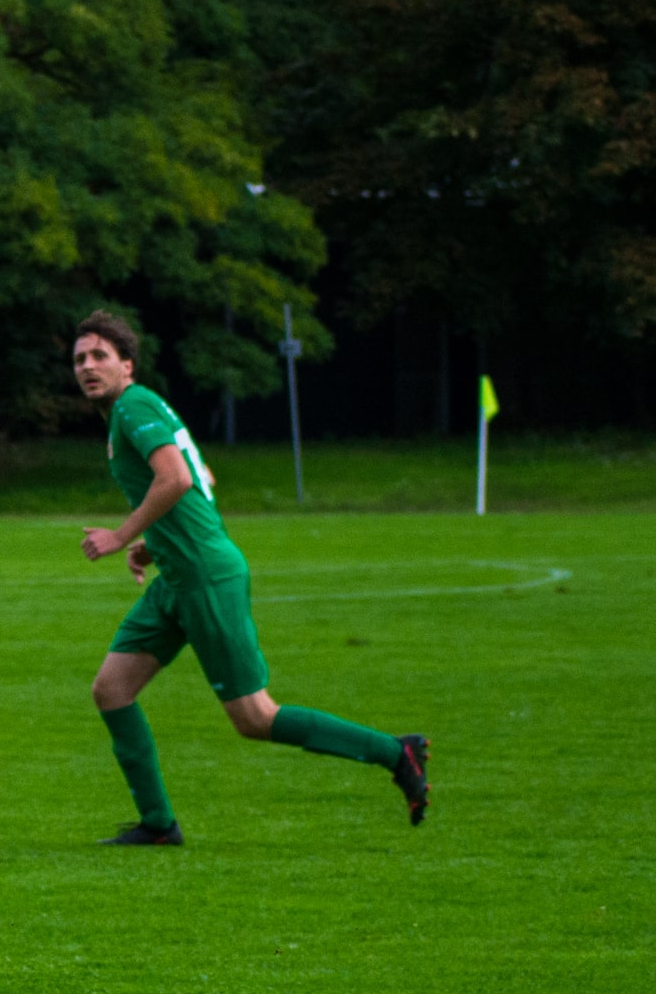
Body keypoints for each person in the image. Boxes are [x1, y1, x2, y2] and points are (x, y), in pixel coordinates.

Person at [72, 309, 429, 843]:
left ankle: (396, 752)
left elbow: (178, 478)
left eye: (100, 355)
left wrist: (122, 536)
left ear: (127, 364)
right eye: (79, 358)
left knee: (255, 718)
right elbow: (204, 478)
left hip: (206, 579)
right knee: (112, 689)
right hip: (178, 577)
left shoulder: (133, 406)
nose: (87, 366)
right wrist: (155, 545)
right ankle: (158, 825)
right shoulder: (137, 410)